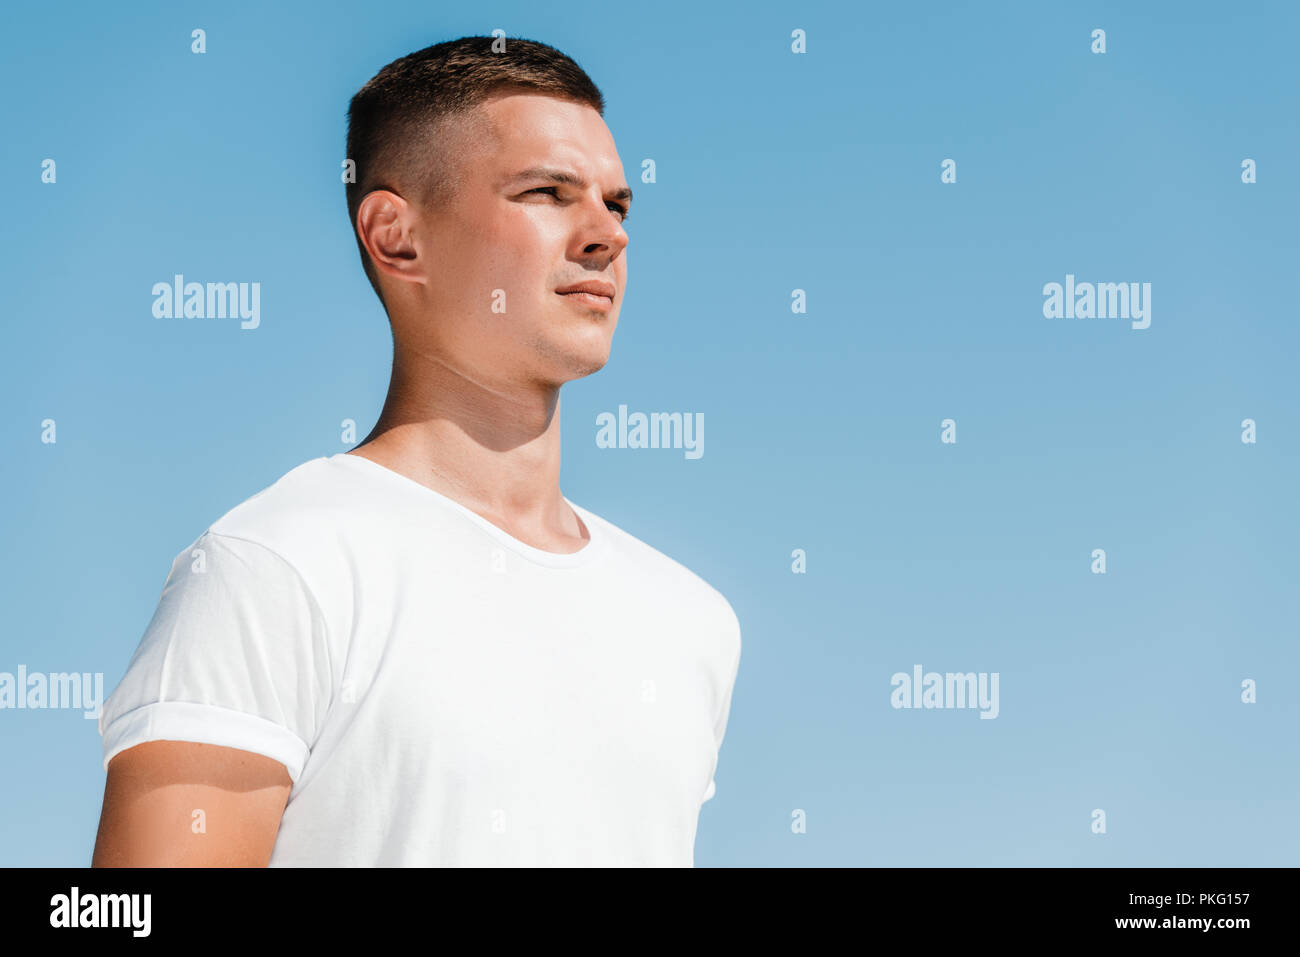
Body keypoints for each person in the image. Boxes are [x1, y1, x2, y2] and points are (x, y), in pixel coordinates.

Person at [91, 35, 741, 867]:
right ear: (395, 236)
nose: (604, 235)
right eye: (547, 191)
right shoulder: (274, 568)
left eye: (617, 205)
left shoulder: (690, 621)